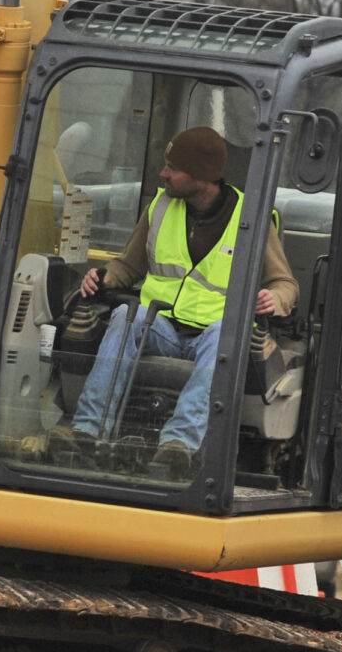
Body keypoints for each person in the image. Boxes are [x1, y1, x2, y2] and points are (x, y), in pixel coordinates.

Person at [50, 124, 297, 479]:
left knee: (224, 334)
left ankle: (178, 444)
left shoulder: (253, 218)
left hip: (213, 336)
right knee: (124, 316)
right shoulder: (160, 207)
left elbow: (286, 283)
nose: (163, 173)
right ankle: (87, 431)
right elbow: (128, 266)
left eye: (173, 168)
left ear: (203, 175)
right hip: (160, 328)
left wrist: (274, 298)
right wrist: (104, 276)